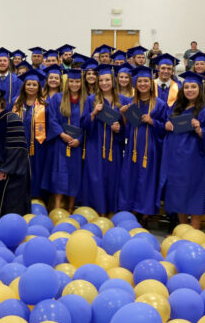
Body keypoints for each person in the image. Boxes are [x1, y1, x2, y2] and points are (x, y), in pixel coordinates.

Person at [160, 71, 205, 229]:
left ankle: (194, 232)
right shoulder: (177, 107)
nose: (189, 90)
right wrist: (167, 125)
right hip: (175, 158)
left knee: (194, 195)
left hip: (194, 159)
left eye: (193, 87)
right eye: (186, 87)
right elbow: (167, 124)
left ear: (200, 89)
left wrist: (199, 129)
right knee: (178, 194)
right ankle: (182, 229)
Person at [118, 65, 169, 221]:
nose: (143, 84)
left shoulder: (160, 104)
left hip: (151, 148)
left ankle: (145, 212)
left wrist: (152, 121)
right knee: (130, 177)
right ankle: (130, 210)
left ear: (150, 83)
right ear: (135, 83)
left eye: (146, 81)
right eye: (140, 81)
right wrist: (123, 115)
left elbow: (165, 128)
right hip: (133, 146)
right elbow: (126, 127)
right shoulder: (131, 102)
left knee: (147, 178)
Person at [83, 65, 126, 215]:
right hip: (95, 145)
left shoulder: (122, 100)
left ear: (113, 81)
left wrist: (120, 129)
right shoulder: (91, 100)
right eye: (101, 80)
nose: (104, 83)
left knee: (112, 179)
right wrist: (93, 114)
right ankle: (95, 213)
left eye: (107, 80)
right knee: (95, 179)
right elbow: (84, 124)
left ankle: (111, 212)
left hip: (114, 147)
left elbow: (130, 128)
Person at [0, 89, 30, 219]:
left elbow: (18, 147)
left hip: (13, 170)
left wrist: (5, 169)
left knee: (7, 201)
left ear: (1, 101)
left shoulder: (11, 117)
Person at [44, 68, 86, 211]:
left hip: (76, 146)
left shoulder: (86, 100)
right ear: (67, 83)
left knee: (75, 176)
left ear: (82, 83)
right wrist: (62, 134)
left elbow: (87, 123)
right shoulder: (57, 98)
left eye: (77, 81)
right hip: (60, 143)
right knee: (59, 174)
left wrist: (79, 139)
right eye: (72, 81)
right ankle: (56, 208)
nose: (74, 84)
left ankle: (70, 208)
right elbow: (52, 119)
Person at [12, 69, 47, 200]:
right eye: (28, 84)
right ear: (24, 86)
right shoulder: (15, 103)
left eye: (34, 84)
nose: (31, 87)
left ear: (39, 87)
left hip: (38, 147)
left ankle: (36, 199)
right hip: (19, 147)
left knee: (37, 171)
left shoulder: (45, 105)